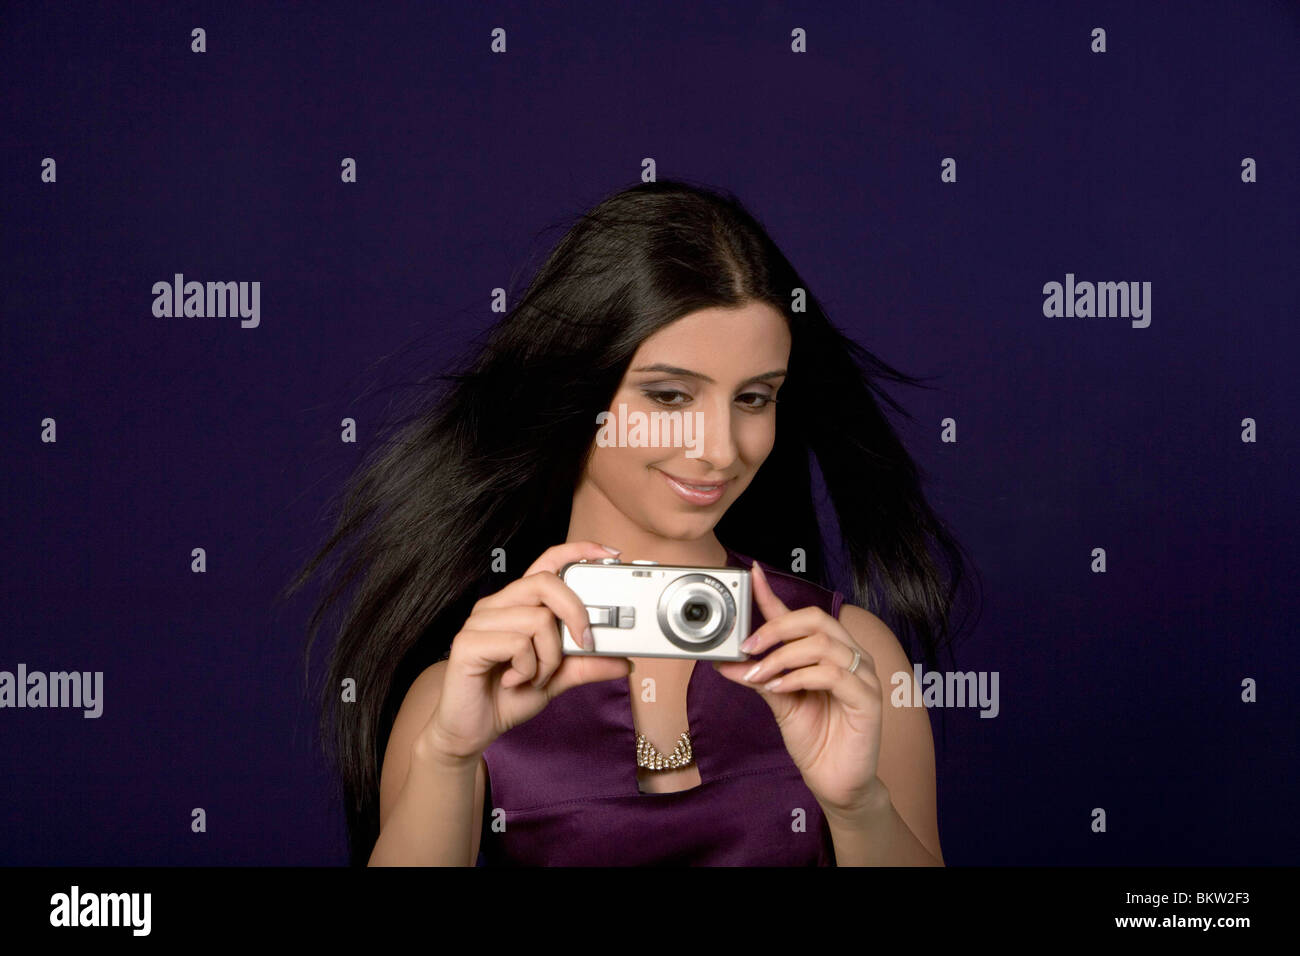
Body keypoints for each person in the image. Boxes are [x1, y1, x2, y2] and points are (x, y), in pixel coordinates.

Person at [283, 178, 979, 866]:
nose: (720, 449)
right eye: (670, 395)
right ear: (574, 390)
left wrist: (859, 808)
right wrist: (446, 755)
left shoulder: (846, 659)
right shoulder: (472, 685)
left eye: (755, 398)